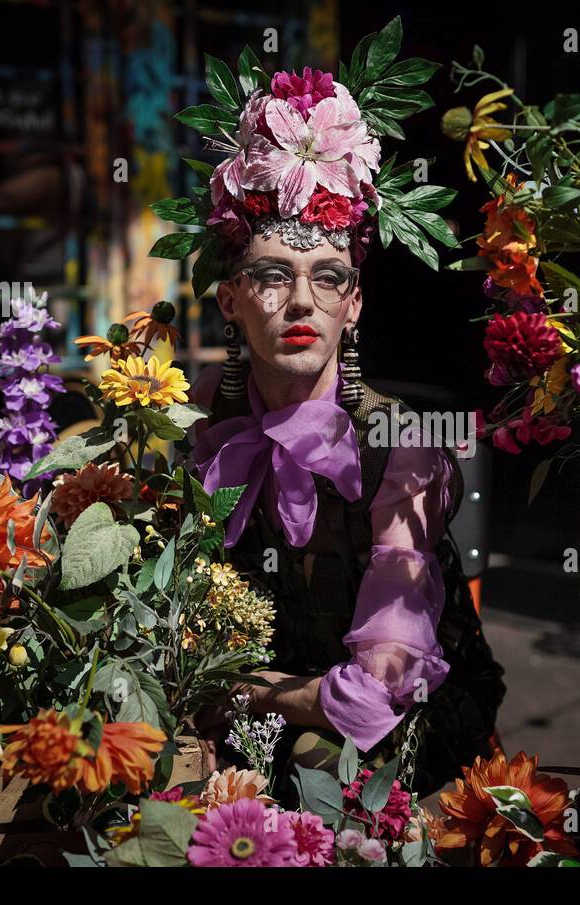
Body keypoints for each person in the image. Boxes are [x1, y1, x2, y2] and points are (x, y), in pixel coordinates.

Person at [183, 67, 504, 797]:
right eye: (271, 274)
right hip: (250, 715)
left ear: (353, 305)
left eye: (327, 277)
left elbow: (376, 697)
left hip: (410, 725)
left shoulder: (402, 449)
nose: (301, 299)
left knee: (313, 766)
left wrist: (262, 693)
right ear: (231, 300)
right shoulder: (197, 417)